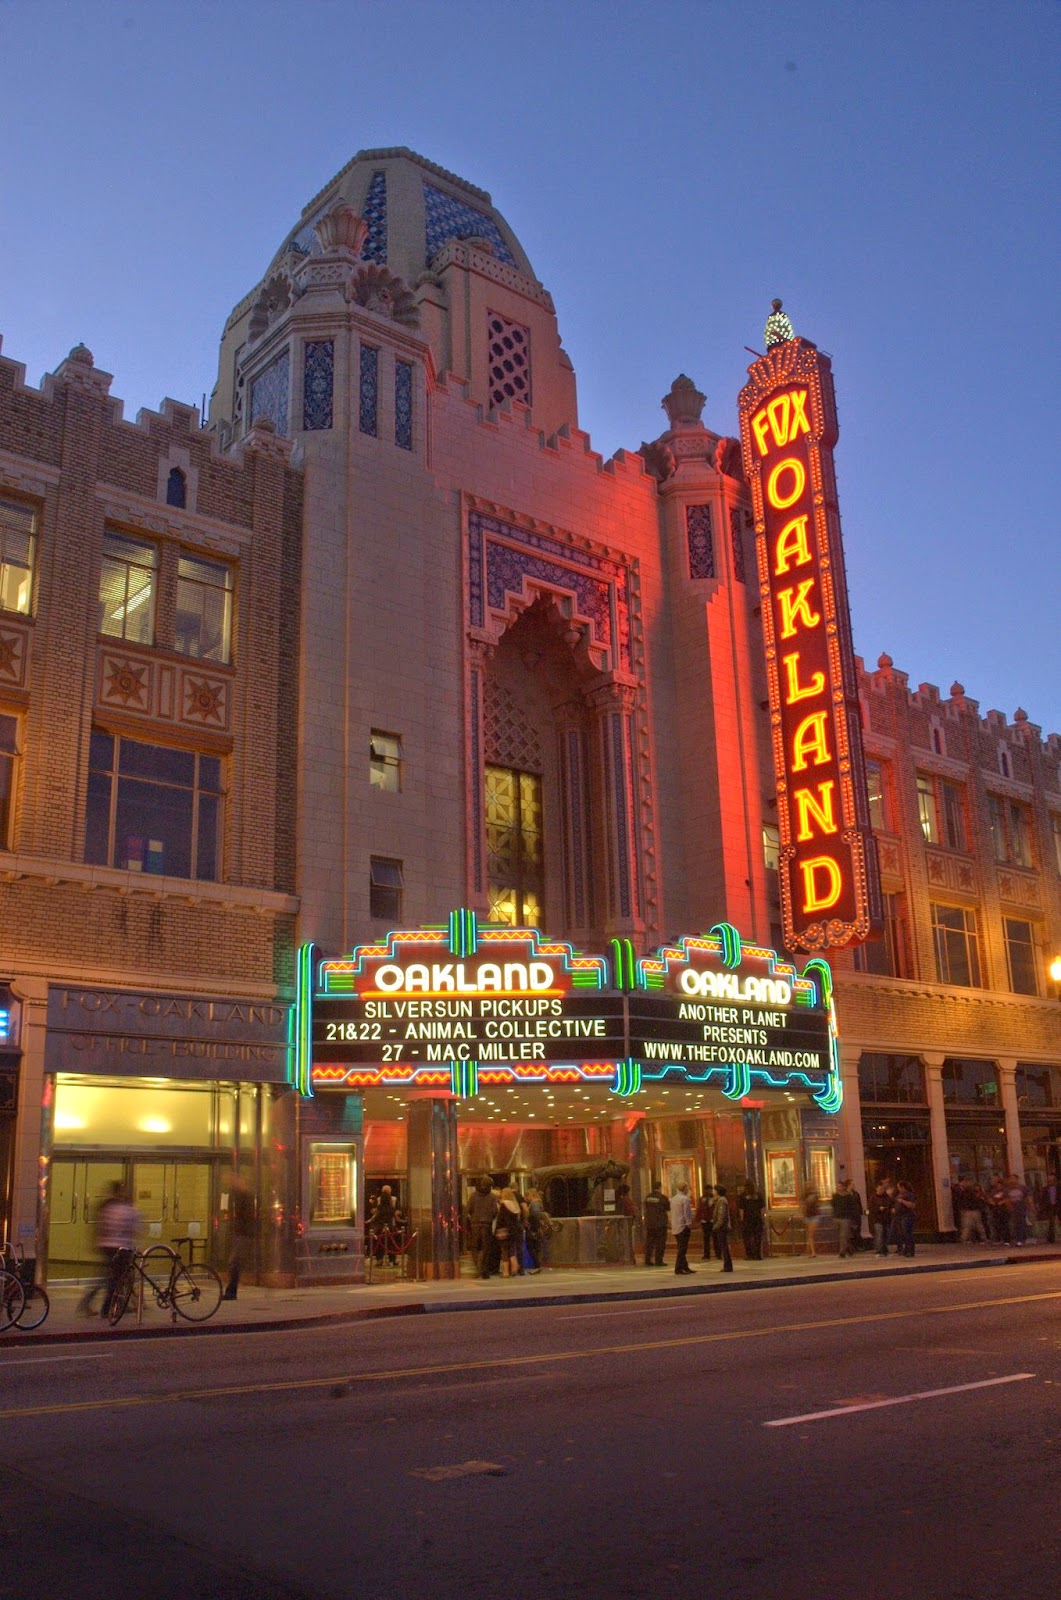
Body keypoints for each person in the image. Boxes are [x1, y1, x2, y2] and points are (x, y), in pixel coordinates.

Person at [79, 1181, 140, 1318]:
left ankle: (114, 1304)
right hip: (120, 1248)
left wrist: (97, 1241)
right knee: (115, 1279)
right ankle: (110, 1307)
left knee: (107, 1278)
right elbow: (133, 1229)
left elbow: (101, 1226)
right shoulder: (125, 1209)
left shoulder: (107, 1206)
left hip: (106, 1246)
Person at [222, 1172, 256, 1300]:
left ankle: (231, 1292)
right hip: (240, 1233)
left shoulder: (245, 1196)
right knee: (234, 1262)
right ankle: (231, 1291)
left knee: (234, 1262)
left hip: (243, 1234)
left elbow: (246, 1217)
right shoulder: (240, 1195)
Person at [465, 1175, 498, 1279]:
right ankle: (484, 1270)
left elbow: (468, 1209)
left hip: (475, 1224)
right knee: (486, 1249)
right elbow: (494, 1211)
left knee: (474, 1248)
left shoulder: (473, 1195)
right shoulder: (492, 1197)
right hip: (487, 1224)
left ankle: (478, 1268)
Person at [493, 1187, 524, 1277]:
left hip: (504, 1230)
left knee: (504, 1251)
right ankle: (514, 1267)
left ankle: (506, 1272)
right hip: (515, 1230)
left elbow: (501, 1219)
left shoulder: (504, 1205)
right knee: (512, 1250)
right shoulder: (515, 1205)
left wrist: (496, 1230)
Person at [369, 1184, 398, 1264]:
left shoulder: (379, 1200)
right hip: (390, 1224)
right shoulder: (393, 1199)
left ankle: (379, 1259)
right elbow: (394, 1212)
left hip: (380, 1225)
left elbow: (376, 1212)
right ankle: (392, 1259)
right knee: (391, 1243)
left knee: (379, 1242)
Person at [670, 1182, 694, 1276]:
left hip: (675, 1226)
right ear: (684, 1188)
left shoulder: (673, 1199)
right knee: (682, 1249)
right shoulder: (685, 1199)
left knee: (680, 1247)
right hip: (683, 1226)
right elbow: (686, 1213)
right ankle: (678, 1268)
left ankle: (685, 1266)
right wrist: (689, 1224)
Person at [643, 1180, 669, 1266]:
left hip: (650, 1223)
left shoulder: (648, 1197)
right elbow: (668, 1208)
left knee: (649, 1242)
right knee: (660, 1243)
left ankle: (647, 1259)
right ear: (660, 1187)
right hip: (660, 1223)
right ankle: (659, 1260)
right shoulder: (662, 1198)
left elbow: (646, 1207)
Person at [524, 1186, 549, 1273]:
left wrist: (532, 1227)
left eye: (527, 1196)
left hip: (533, 1229)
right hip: (537, 1228)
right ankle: (537, 1264)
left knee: (531, 1247)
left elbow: (534, 1216)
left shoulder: (534, 1205)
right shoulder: (539, 1204)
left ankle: (537, 1265)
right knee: (536, 1247)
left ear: (531, 1196)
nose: (526, 1198)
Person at [738, 1182, 765, 1260]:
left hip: (747, 1219)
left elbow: (741, 1209)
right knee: (758, 1238)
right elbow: (762, 1208)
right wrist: (762, 1218)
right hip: (757, 1219)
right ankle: (757, 1255)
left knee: (747, 1238)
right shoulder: (758, 1195)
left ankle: (749, 1254)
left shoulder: (743, 1196)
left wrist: (742, 1220)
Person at [868, 1179, 893, 1257]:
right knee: (879, 1234)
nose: (881, 1190)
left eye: (882, 1189)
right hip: (877, 1219)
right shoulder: (873, 1198)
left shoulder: (887, 1197)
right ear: (876, 1189)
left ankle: (885, 1250)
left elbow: (891, 1204)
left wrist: (890, 1209)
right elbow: (871, 1208)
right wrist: (878, 1209)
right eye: (880, 1189)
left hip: (886, 1219)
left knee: (886, 1235)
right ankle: (878, 1250)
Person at [712, 1184, 733, 1272]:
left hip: (722, 1227)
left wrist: (716, 1225)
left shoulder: (721, 1201)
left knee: (724, 1246)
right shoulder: (720, 1200)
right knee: (724, 1246)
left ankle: (727, 1266)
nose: (713, 1192)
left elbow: (721, 1215)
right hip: (722, 1226)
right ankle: (727, 1265)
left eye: (715, 1191)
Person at [893, 1180, 917, 1256]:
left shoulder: (910, 1195)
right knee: (902, 1233)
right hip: (899, 1216)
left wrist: (902, 1201)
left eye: (899, 1187)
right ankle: (906, 1249)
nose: (898, 1189)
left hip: (907, 1216)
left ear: (903, 1187)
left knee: (907, 1233)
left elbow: (912, 1205)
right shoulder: (899, 1195)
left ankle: (910, 1250)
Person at [695, 1186, 716, 1260]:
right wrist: (698, 1219)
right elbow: (700, 1209)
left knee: (715, 1238)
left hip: (712, 1220)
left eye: (710, 1190)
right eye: (707, 1190)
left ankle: (718, 1253)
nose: (708, 1191)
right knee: (706, 1238)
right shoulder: (702, 1198)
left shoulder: (714, 1198)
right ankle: (706, 1254)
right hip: (704, 1220)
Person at [802, 1185, 821, 1257]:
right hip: (808, 1216)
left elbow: (815, 1204)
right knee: (810, 1235)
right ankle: (810, 1250)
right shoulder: (805, 1195)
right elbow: (803, 1206)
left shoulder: (815, 1196)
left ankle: (812, 1251)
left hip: (814, 1216)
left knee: (810, 1235)